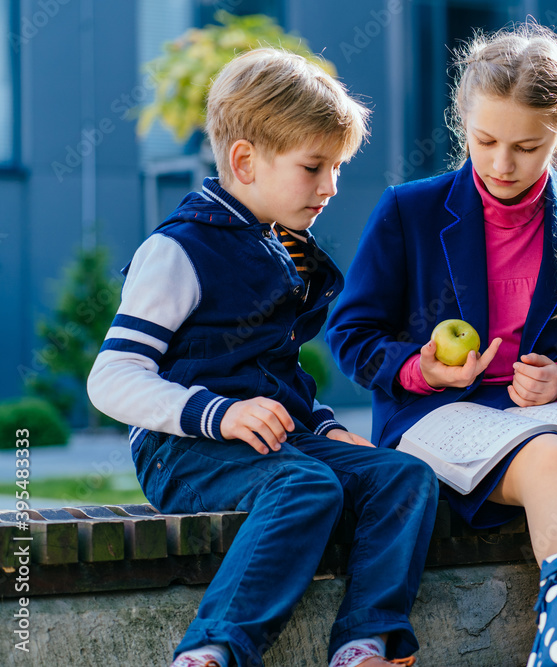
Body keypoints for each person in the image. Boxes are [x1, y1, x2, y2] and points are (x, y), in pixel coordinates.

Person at [87, 48, 437, 667]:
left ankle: (364, 641)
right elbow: (111, 379)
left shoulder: (283, 248)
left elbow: (277, 370)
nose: (330, 187)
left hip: (276, 444)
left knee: (401, 475)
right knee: (307, 485)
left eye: (335, 168)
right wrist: (218, 414)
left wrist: (326, 426)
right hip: (184, 451)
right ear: (245, 160)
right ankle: (213, 648)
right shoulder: (179, 251)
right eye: (313, 167)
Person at [326, 23, 557, 566]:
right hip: (433, 415)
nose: (503, 165)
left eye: (527, 147)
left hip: (540, 412)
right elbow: (350, 334)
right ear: (464, 126)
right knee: (550, 459)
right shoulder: (410, 210)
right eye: (486, 142)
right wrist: (419, 370)